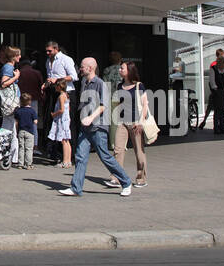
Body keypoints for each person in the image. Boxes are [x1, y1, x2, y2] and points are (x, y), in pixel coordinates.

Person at [59, 57, 133, 197]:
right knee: (80, 156)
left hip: (98, 126)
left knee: (104, 156)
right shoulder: (83, 82)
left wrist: (90, 118)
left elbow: (104, 105)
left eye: (82, 66)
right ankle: (76, 188)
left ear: (90, 68)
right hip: (85, 127)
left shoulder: (100, 84)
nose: (80, 69)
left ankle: (126, 182)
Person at [110, 60, 147, 188]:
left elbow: (145, 104)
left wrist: (141, 122)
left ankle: (141, 178)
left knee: (139, 151)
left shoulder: (139, 86)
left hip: (136, 122)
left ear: (129, 71)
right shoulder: (120, 86)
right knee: (118, 150)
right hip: (122, 122)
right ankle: (116, 178)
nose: (120, 70)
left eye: (122, 68)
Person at [43, 41, 76, 164]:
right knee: (54, 124)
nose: (47, 53)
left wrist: (58, 79)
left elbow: (74, 76)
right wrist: (45, 84)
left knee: (67, 124)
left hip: (65, 91)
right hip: (54, 91)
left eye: (50, 51)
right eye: (47, 51)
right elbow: (50, 77)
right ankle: (55, 153)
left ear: (56, 49)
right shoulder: (48, 61)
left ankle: (69, 156)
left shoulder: (65, 59)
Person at [0, 47, 21, 165]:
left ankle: (11, 155)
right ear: (13, 56)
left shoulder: (9, 67)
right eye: (18, 55)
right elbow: (4, 83)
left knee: (10, 128)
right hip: (9, 102)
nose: (20, 57)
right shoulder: (9, 67)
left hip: (10, 102)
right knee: (9, 128)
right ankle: (8, 154)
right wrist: (16, 78)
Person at [199, 48, 224, 131]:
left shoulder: (218, 64)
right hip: (217, 90)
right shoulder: (215, 65)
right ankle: (216, 125)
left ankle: (206, 121)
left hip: (217, 90)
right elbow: (213, 78)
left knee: (213, 107)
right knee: (216, 108)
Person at [204, 52, 224, 134]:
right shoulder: (213, 69)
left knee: (222, 110)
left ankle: (222, 127)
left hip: (223, 92)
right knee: (217, 111)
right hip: (216, 92)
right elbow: (212, 82)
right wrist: (216, 90)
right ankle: (216, 127)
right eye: (223, 65)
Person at [14, 93, 38, 169]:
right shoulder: (32, 111)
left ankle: (20, 163)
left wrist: (16, 130)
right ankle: (28, 164)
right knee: (29, 148)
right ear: (30, 101)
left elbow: (16, 122)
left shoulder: (18, 111)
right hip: (29, 131)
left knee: (21, 147)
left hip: (21, 131)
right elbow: (35, 121)